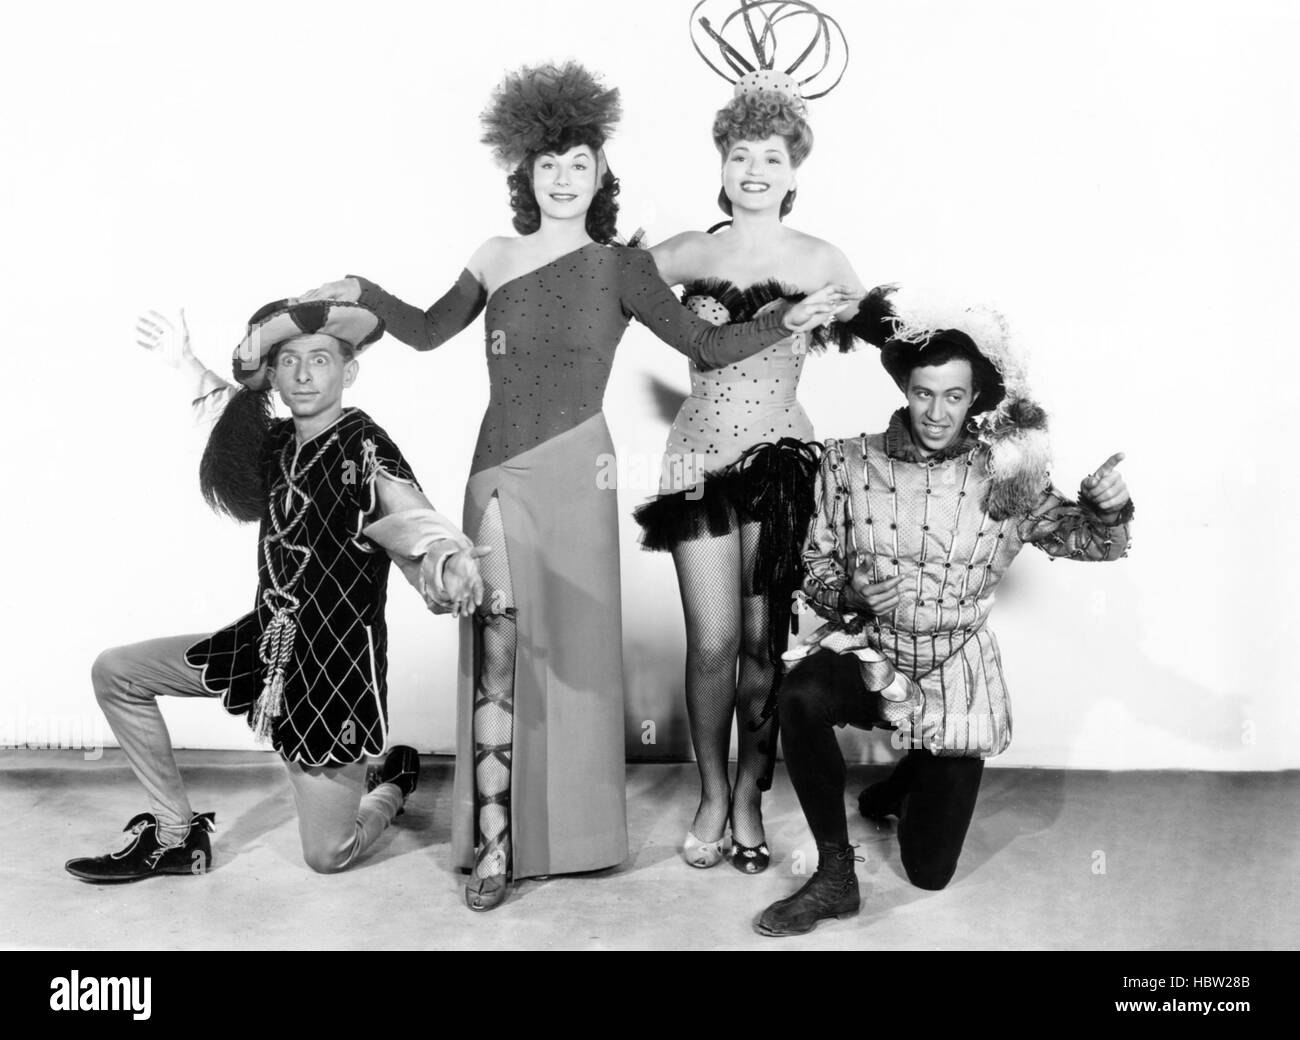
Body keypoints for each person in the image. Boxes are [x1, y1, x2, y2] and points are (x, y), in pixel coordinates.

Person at [299, 61, 856, 910]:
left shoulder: (622, 267)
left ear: (601, 175)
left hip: (581, 475)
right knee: (496, 644)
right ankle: (491, 849)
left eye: (579, 162)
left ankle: (577, 839)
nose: (562, 177)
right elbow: (420, 331)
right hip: (498, 473)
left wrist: (786, 316)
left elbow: (705, 349)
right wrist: (362, 293)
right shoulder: (493, 254)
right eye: (548, 163)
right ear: (522, 171)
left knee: (576, 663)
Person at [754, 285, 1134, 936]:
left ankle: (909, 780)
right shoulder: (846, 463)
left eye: (953, 396)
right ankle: (835, 873)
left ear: (974, 400)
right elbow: (812, 568)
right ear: (905, 387)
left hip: (955, 670)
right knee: (799, 696)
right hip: (872, 651)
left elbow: (1094, 542)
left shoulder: (1009, 475)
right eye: (924, 392)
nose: (936, 412)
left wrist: (1107, 507)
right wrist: (846, 594)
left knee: (929, 872)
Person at [65, 299, 486, 882]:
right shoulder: (279, 443)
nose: (306, 374)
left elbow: (412, 523)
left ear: (349, 370)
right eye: (290, 361)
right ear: (276, 376)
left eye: (320, 359)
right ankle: (173, 836)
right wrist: (185, 362)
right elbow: (226, 414)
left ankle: (389, 784)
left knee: (327, 856)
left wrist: (450, 562)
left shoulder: (364, 445)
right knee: (116, 672)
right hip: (263, 645)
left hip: (332, 673)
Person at [634, 0, 874, 874]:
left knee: (763, 644)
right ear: (722, 165)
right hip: (697, 462)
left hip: (781, 464)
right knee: (709, 643)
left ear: (794, 168)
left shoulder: (820, 258)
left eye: (773, 156)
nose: (756, 169)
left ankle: (748, 798)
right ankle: (707, 790)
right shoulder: (686, 251)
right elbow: (600, 291)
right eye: (742, 155)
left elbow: (894, 337)